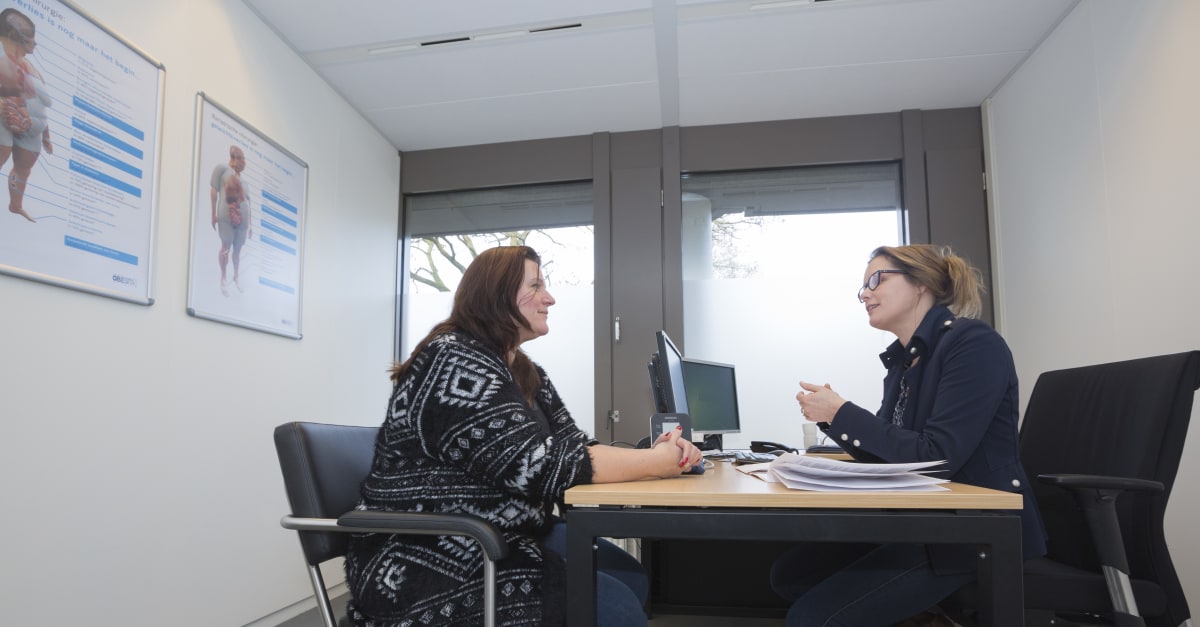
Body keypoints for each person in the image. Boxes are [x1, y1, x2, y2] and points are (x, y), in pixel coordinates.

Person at [344, 245, 703, 626]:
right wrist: (655, 462)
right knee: (617, 610)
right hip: (432, 547)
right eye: (535, 286)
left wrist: (656, 455)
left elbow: (572, 446)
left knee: (630, 575)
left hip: (507, 529)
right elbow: (534, 466)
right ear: (496, 294)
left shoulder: (526, 371)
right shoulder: (452, 359)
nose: (549, 298)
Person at [771, 244, 1046, 627]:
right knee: (788, 575)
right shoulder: (905, 360)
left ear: (920, 283)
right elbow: (893, 456)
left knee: (809, 619)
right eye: (862, 287)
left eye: (876, 279)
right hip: (922, 520)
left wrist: (843, 413)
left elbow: (936, 458)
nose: (865, 293)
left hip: (973, 532)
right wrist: (835, 423)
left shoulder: (973, 344)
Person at [0, 8, 51, 223]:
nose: (30, 50)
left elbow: (41, 104)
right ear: (11, 37)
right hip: (6, 120)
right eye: (27, 42)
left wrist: (46, 134)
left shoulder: (30, 67)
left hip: (30, 127)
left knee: (24, 168)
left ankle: (16, 205)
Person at [209, 145, 251, 295]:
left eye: (244, 159)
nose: (244, 162)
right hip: (226, 218)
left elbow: (248, 202)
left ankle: (236, 277)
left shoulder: (244, 183)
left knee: (237, 251)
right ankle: (223, 278)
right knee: (225, 247)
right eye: (242, 159)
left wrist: (250, 226)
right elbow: (214, 191)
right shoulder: (222, 169)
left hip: (243, 223)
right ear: (234, 158)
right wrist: (213, 214)